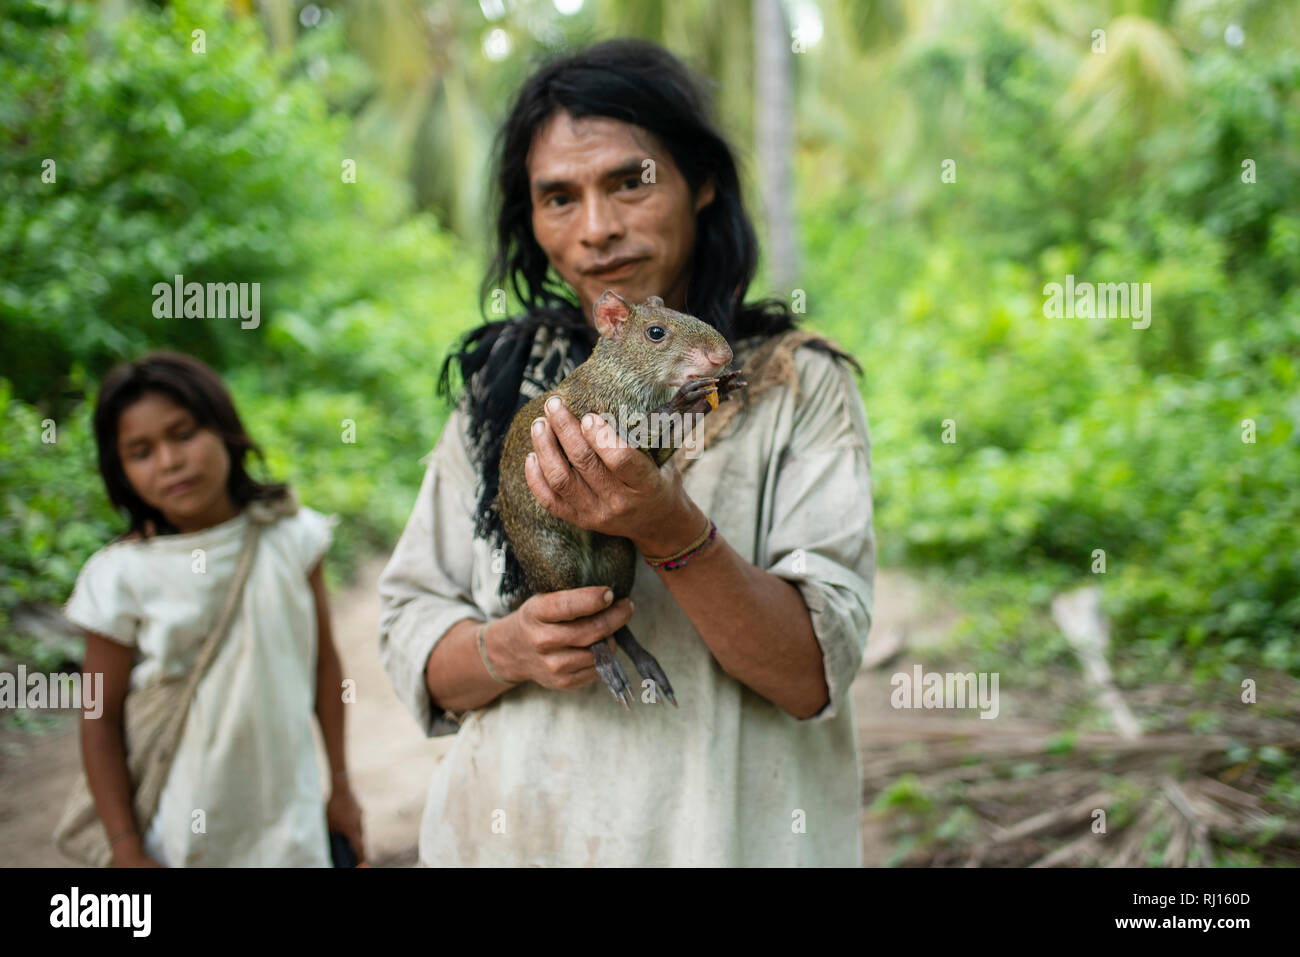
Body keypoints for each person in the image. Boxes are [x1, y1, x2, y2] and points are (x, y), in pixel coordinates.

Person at [378, 38, 875, 866]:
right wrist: (511, 646)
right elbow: (411, 635)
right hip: (515, 837)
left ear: (701, 182)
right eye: (558, 197)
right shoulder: (505, 385)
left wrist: (668, 528)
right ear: (532, 219)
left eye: (629, 182)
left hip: (719, 840)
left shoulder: (796, 384)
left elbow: (810, 674)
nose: (597, 228)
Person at [61, 350, 364, 867]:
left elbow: (323, 665)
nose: (169, 461)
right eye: (141, 452)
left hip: (292, 830)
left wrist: (340, 785)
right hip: (180, 840)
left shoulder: (291, 537)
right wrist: (126, 848)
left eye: (183, 434)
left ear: (225, 429)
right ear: (121, 471)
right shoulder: (119, 577)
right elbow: (99, 718)